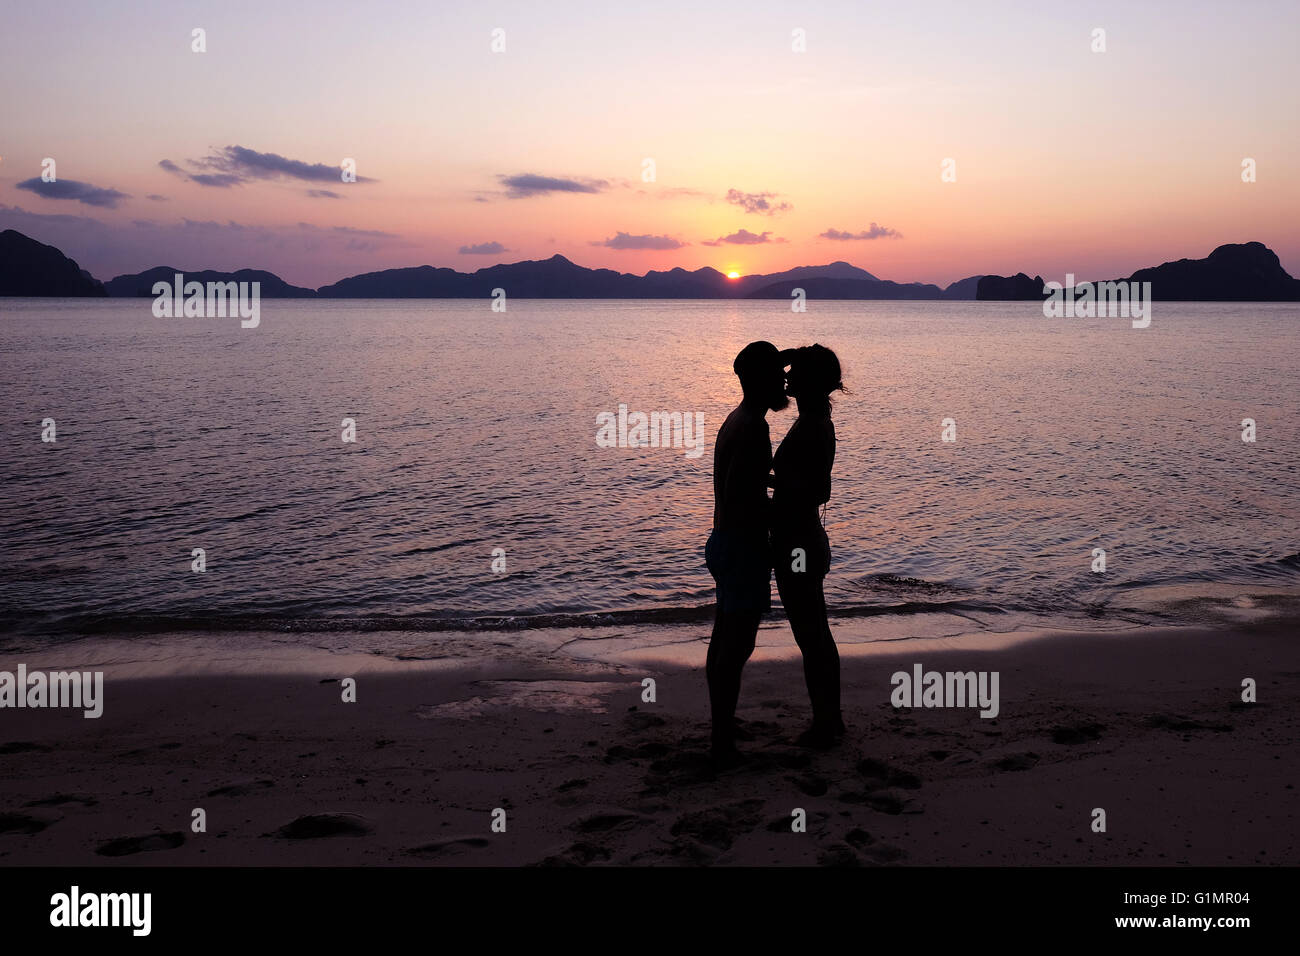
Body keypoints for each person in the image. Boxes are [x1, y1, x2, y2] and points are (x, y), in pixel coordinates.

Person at [705, 341, 788, 765]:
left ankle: (722, 724)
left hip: (723, 541)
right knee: (737, 645)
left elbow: (744, 484)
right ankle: (722, 740)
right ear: (759, 379)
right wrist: (778, 511)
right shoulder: (754, 426)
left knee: (724, 638)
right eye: (778, 374)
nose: (785, 381)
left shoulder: (736, 418)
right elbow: (742, 492)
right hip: (742, 546)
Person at [770, 344, 846, 749]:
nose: (786, 378)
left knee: (811, 633)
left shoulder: (815, 424)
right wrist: (788, 355)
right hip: (798, 538)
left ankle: (826, 723)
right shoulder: (811, 419)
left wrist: (765, 486)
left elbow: (818, 489)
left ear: (811, 381)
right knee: (814, 631)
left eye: (793, 372)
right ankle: (829, 720)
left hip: (799, 542)